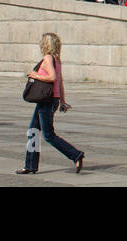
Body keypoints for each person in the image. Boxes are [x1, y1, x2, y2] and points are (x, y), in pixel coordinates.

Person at [18, 33, 84, 175]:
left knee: (48, 135)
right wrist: (62, 100)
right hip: (51, 99)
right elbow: (60, 82)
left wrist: (36, 75)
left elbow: (53, 78)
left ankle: (75, 155)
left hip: (47, 101)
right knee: (33, 131)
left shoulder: (48, 58)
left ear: (46, 44)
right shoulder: (57, 60)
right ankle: (30, 165)